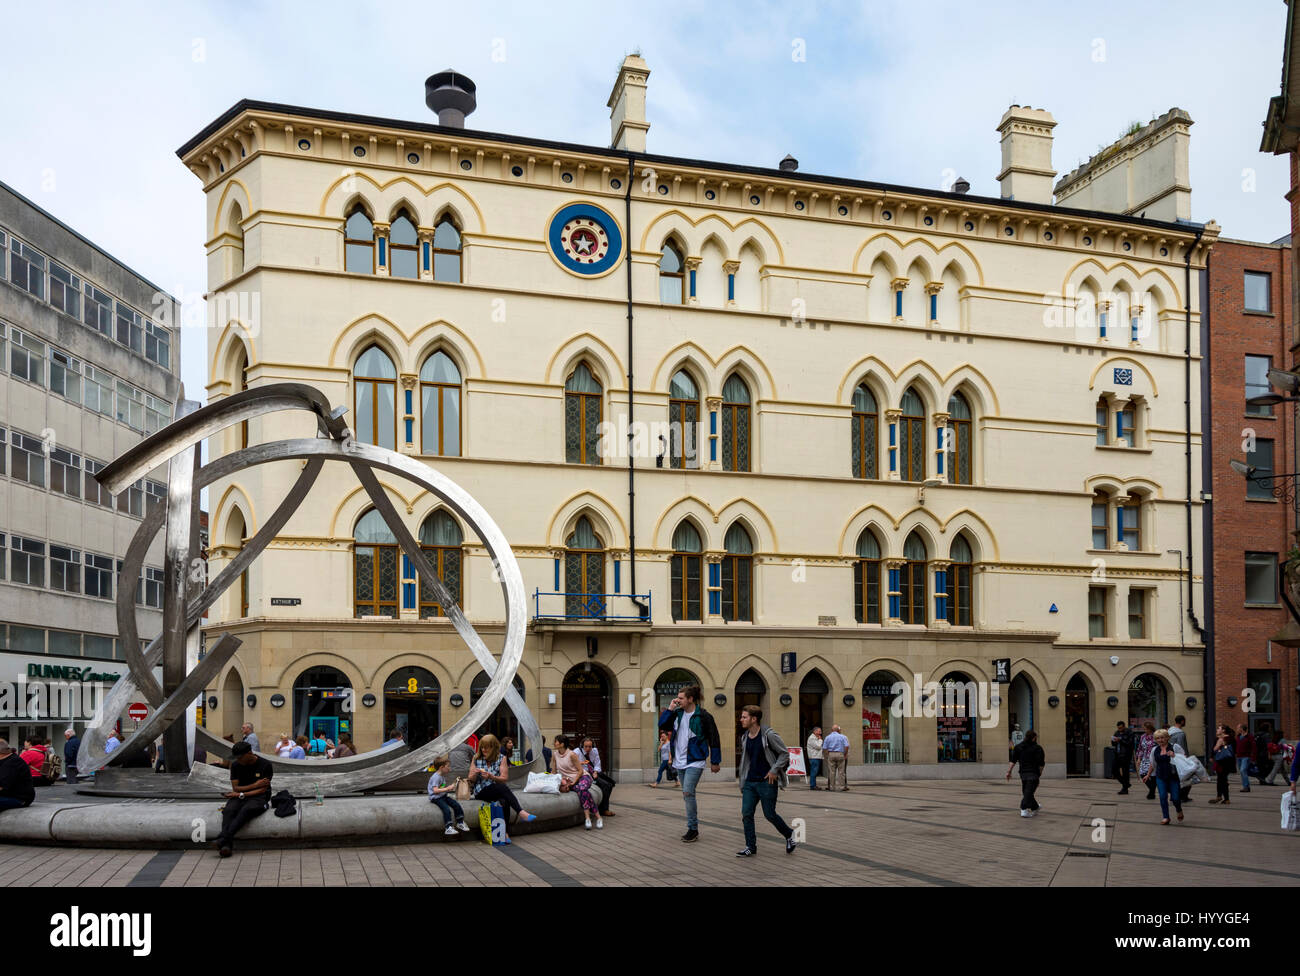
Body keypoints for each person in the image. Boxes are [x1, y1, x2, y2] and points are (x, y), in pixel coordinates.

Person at [657, 683, 722, 843]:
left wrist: (715, 761)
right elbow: (662, 726)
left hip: (695, 760)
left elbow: (714, 738)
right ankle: (693, 827)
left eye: (680, 698)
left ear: (690, 699)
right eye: (677, 698)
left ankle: (692, 828)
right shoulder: (677, 714)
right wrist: (670, 709)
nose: (677, 700)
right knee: (687, 795)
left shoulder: (704, 716)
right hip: (680, 761)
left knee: (687, 792)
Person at [735, 704, 795, 856]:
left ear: (754, 719)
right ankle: (750, 846)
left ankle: (789, 834)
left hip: (766, 781)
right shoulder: (745, 737)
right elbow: (746, 761)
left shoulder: (768, 735)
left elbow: (784, 754)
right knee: (746, 814)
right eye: (741, 717)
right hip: (750, 781)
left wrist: (774, 770)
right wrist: (743, 780)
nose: (741, 719)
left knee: (769, 814)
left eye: (744, 717)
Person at [467, 734, 536, 838]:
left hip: (497, 790)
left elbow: (504, 778)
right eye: (482, 747)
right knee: (502, 788)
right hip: (481, 791)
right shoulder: (476, 758)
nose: (483, 750)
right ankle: (520, 812)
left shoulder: (501, 758)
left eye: (487, 747)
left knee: (504, 801)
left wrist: (491, 777)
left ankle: (505, 833)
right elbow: (470, 779)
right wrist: (475, 773)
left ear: (493, 747)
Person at [215, 741, 272, 856]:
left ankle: (223, 839)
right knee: (229, 810)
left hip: (259, 797)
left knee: (246, 810)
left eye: (240, 757)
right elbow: (236, 788)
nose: (238, 760)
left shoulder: (265, 765)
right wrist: (254, 785)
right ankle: (226, 846)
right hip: (241, 795)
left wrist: (242, 793)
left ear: (250, 753)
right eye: (236, 757)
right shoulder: (236, 765)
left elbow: (262, 790)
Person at [552, 735, 601, 829]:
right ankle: (598, 817)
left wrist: (574, 782)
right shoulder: (554, 755)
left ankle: (587, 818)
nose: (554, 743)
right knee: (583, 791)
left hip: (583, 777)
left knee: (581, 788)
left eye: (556, 741)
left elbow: (580, 770)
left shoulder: (572, 754)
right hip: (569, 780)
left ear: (562, 744)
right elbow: (554, 772)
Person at [1142, 729, 1183, 825]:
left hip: (1173, 776)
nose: (1160, 740)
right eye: (1158, 738)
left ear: (1167, 738)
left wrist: (1174, 755)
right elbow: (1153, 763)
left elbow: (1183, 758)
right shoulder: (1154, 750)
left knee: (1176, 798)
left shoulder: (1175, 747)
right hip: (1160, 776)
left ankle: (1179, 809)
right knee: (1163, 796)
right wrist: (1148, 775)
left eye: (1162, 737)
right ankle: (1166, 817)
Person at [1006, 728, 1045, 817]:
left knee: (1027, 791)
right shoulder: (1038, 748)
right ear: (1034, 738)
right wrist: (1039, 775)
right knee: (1028, 792)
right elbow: (1041, 764)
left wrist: (1009, 771)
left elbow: (1013, 760)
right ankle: (1023, 809)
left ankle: (1035, 807)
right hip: (1033, 773)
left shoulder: (1018, 747)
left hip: (1023, 773)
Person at [427, 755, 470, 835]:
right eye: (448, 766)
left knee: (456, 804)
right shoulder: (436, 777)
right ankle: (448, 827)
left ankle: (460, 822)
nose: (449, 768)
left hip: (442, 796)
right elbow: (435, 790)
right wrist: (447, 789)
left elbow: (441, 788)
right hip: (436, 798)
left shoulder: (442, 776)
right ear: (441, 767)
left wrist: (449, 788)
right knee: (446, 809)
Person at [578, 736, 615, 817]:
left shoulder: (594, 751)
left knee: (611, 783)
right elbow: (574, 766)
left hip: (594, 772)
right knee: (605, 785)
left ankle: (603, 807)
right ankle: (604, 809)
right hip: (585, 774)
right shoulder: (576, 752)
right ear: (582, 746)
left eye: (590, 747)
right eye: (586, 746)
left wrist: (595, 771)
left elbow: (597, 763)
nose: (588, 749)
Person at [0, 740, 36, 812]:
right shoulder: (5, 760)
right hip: (8, 795)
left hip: (19, 798)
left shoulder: (12, 763)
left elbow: (2, 786)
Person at [1208, 724, 1234, 805]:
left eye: (1218, 728)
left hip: (1223, 762)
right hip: (1226, 761)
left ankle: (1226, 798)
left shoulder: (1223, 739)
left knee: (1222, 780)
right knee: (1221, 779)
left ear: (1223, 730)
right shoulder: (1229, 738)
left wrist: (1219, 744)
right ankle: (1220, 796)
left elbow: (1215, 748)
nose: (1217, 730)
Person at [822, 725, 850, 791]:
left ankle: (832, 787)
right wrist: (845, 754)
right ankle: (841, 786)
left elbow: (824, 748)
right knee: (841, 772)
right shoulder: (843, 737)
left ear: (831, 730)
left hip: (831, 754)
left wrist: (827, 754)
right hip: (840, 754)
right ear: (838, 730)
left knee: (831, 772)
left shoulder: (828, 737)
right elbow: (846, 746)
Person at [1136, 721, 1157, 799]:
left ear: (1150, 729)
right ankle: (1152, 789)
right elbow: (1140, 748)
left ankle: (1151, 793)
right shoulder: (1143, 737)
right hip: (1145, 758)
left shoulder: (1155, 736)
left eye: (1146, 729)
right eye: (1144, 729)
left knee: (1153, 775)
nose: (1145, 731)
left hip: (1153, 758)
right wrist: (1139, 758)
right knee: (1142, 773)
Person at [1111, 721, 1132, 795]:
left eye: (1120, 728)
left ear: (1123, 726)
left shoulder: (1129, 732)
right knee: (1114, 770)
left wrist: (1121, 740)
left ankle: (1125, 789)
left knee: (1125, 772)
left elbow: (1130, 744)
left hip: (1126, 755)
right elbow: (1113, 744)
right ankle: (1126, 784)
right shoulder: (1116, 732)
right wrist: (1113, 740)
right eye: (1118, 728)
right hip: (1117, 754)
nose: (1119, 729)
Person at [1235, 724, 1255, 793]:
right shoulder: (1238, 737)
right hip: (1239, 756)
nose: (1237, 729)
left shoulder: (1249, 737)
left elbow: (1253, 747)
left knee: (1243, 770)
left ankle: (1246, 786)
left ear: (1242, 729)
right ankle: (1244, 786)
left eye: (1238, 728)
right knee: (1242, 771)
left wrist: (1253, 757)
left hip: (1246, 756)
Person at [806, 726, 824, 790]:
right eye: (819, 731)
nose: (820, 733)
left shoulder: (815, 738)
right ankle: (812, 785)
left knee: (815, 772)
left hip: (817, 757)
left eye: (820, 731)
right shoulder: (812, 738)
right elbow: (818, 746)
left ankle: (814, 785)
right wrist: (820, 740)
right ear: (814, 731)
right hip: (814, 757)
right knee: (814, 771)